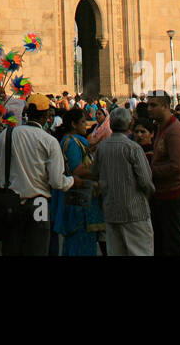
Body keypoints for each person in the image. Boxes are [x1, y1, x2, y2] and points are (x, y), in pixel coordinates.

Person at [0, 93, 76, 256]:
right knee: (37, 250)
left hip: (10, 203)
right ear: (45, 116)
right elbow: (57, 182)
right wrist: (72, 181)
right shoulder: (49, 141)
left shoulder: (7, 135)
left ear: (25, 113)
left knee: (11, 249)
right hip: (39, 205)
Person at [88, 106, 154, 255]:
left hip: (111, 210)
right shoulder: (133, 148)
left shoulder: (102, 148)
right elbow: (145, 181)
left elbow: (95, 173)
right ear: (130, 124)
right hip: (135, 211)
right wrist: (149, 195)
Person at [52, 108, 104, 255]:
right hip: (79, 199)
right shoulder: (73, 143)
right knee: (81, 243)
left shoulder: (71, 141)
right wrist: (100, 175)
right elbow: (78, 170)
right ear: (74, 125)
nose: (85, 125)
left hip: (77, 197)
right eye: (82, 122)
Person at [146, 92, 180, 256]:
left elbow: (176, 166)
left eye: (153, 105)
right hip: (163, 193)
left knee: (171, 243)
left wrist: (149, 171)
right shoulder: (162, 128)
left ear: (165, 106)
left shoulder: (174, 132)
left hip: (174, 193)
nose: (149, 109)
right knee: (161, 242)